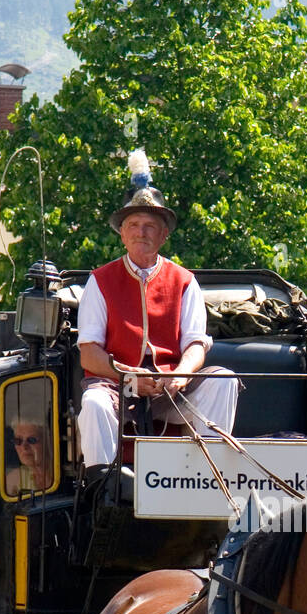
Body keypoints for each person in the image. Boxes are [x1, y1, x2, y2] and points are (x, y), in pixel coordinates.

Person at [76, 149, 238, 468]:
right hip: (116, 386)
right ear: (122, 234)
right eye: (134, 224)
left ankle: (208, 474)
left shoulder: (185, 281)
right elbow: (89, 353)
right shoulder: (100, 281)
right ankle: (103, 487)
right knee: (93, 403)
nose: (141, 232)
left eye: (150, 226)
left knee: (224, 379)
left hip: (170, 387)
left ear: (163, 235)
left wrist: (181, 374)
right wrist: (128, 376)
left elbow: (194, 344)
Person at [5, 419, 54, 495]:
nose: (24, 447)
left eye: (31, 440)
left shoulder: (63, 473)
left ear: (47, 442)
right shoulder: (14, 480)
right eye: (18, 441)